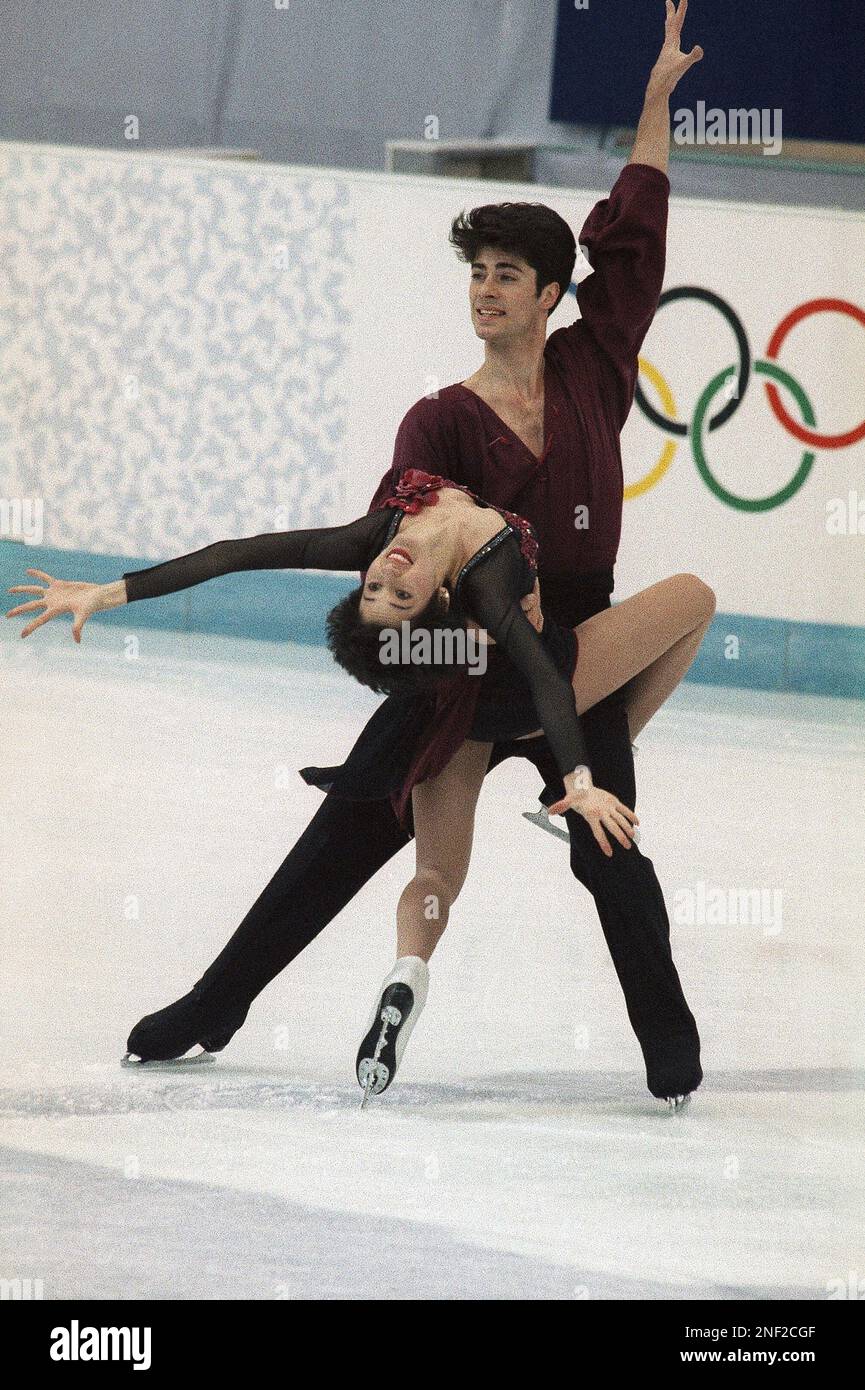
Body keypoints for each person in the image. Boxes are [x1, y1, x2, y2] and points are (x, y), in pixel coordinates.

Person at [8, 1, 707, 1104]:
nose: (481, 292)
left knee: (610, 846)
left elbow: (638, 225)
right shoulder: (438, 419)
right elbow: (390, 549)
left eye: (502, 276)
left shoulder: (593, 367)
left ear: (549, 293)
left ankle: (670, 1050)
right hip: (464, 659)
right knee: (343, 840)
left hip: (573, 651)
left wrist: (655, 103)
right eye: (472, 272)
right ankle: (214, 1002)